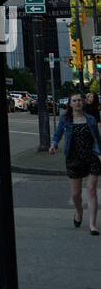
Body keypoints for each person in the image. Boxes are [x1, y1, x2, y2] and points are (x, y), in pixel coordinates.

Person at [50, 92, 101, 234]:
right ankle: (79, 212)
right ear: (70, 104)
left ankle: (92, 225)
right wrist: (54, 144)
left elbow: (97, 138)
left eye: (80, 100)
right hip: (74, 158)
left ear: (83, 103)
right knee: (75, 194)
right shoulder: (65, 119)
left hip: (91, 157)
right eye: (75, 100)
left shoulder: (90, 119)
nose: (78, 102)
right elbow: (58, 134)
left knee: (91, 190)